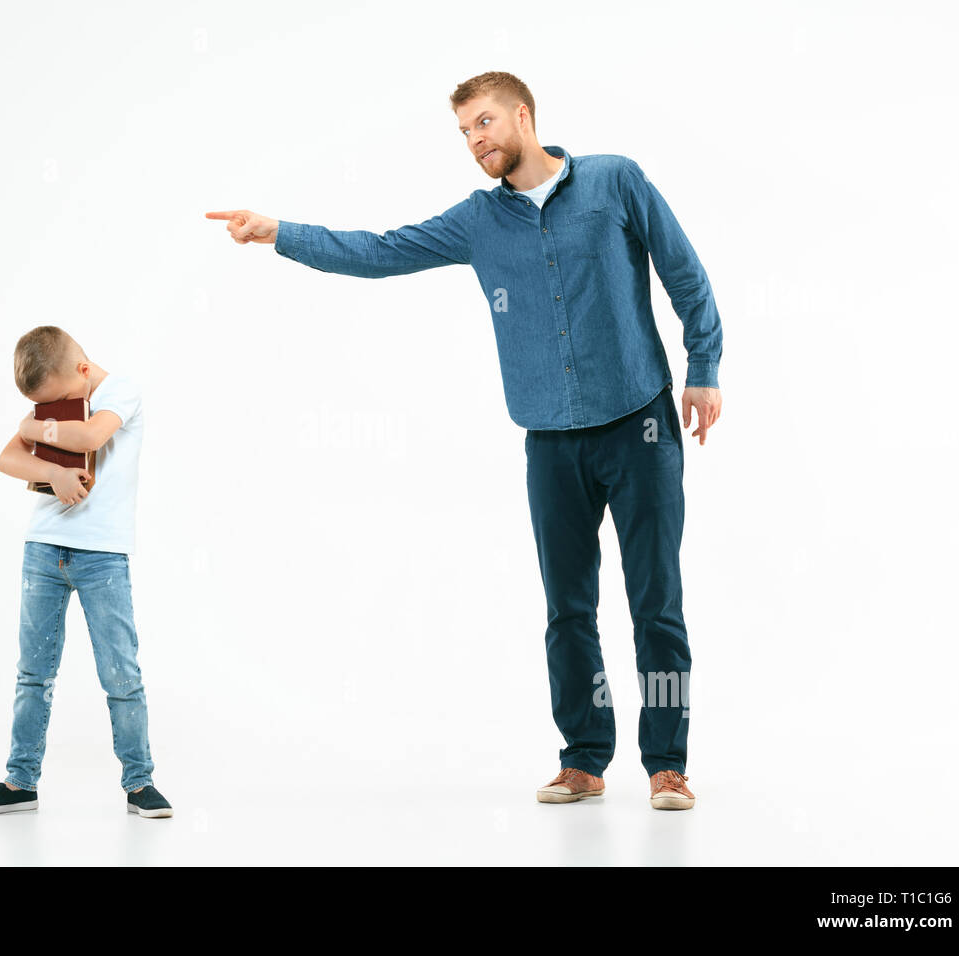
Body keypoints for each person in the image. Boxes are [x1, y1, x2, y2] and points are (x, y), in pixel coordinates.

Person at [206, 71, 722, 811]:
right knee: (567, 608)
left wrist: (702, 367)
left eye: (483, 123)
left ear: (522, 114)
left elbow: (686, 274)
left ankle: (667, 764)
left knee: (656, 603)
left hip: (639, 426)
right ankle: (583, 759)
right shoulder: (479, 221)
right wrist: (277, 232)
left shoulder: (616, 182)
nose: (475, 141)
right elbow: (379, 251)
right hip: (549, 441)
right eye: (463, 133)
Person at [0, 325, 172, 818]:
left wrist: (35, 427)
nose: (52, 412)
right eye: (44, 408)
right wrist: (54, 471)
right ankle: (20, 782)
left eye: (58, 401)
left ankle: (139, 782)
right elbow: (6, 458)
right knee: (33, 672)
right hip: (43, 549)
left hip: (102, 554)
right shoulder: (55, 400)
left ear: (82, 371)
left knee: (121, 673)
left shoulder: (120, 392)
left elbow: (91, 434)